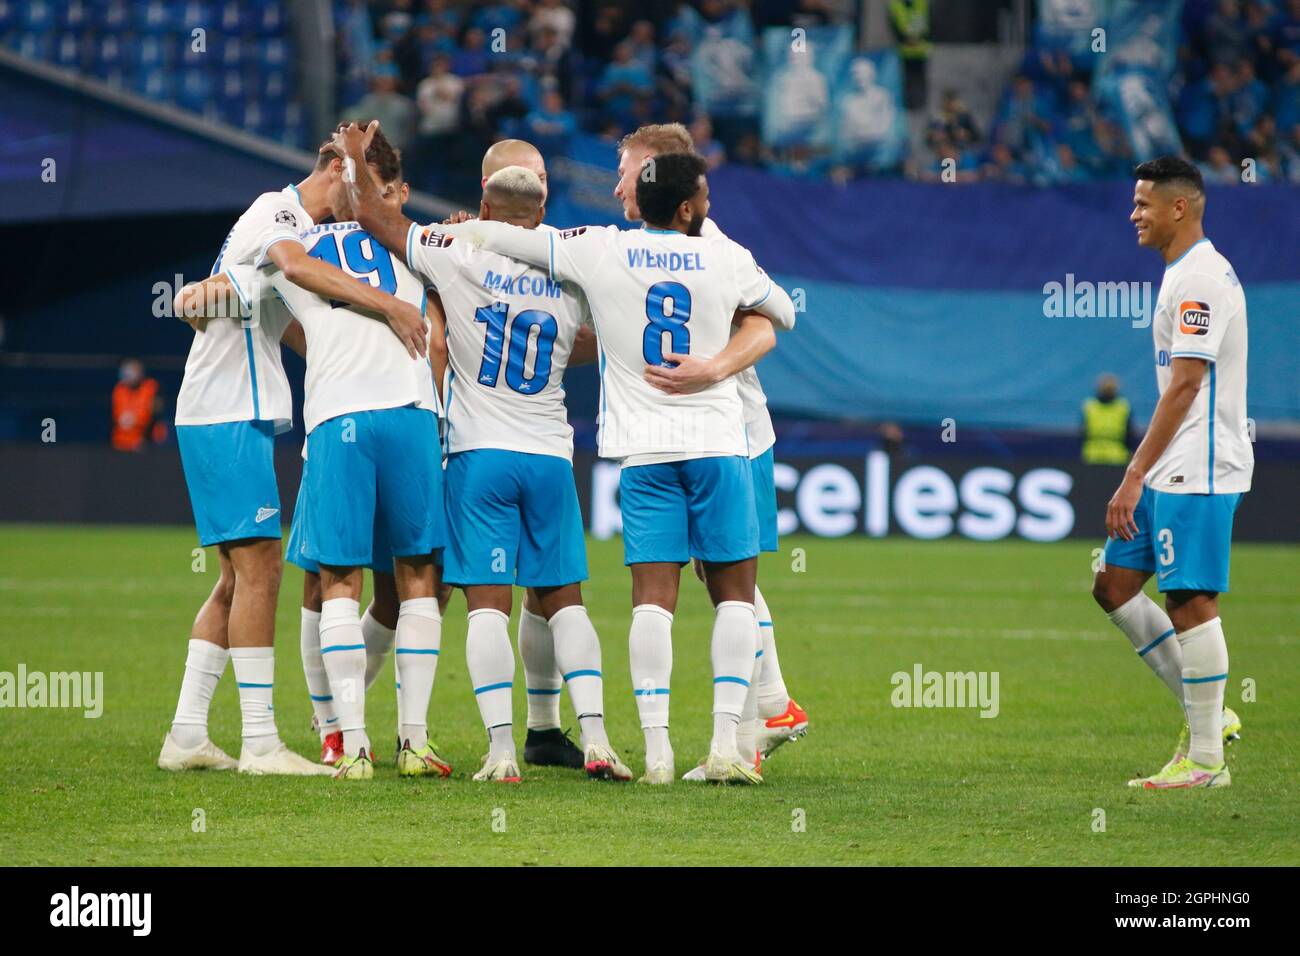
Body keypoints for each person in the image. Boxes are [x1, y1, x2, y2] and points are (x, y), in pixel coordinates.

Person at [446, 152, 796, 784]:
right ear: (688, 208)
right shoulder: (728, 256)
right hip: (718, 444)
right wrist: (715, 361)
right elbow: (783, 314)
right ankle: (723, 746)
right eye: (706, 196)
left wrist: (462, 231)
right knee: (736, 600)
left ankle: (658, 755)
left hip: (645, 453)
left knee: (651, 607)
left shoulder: (604, 248)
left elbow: (512, 238)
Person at [337, 122, 633, 783]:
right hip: (550, 457)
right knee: (566, 602)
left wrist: (356, 156)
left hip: (477, 458)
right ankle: (598, 739)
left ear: (485, 200)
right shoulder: (573, 255)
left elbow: (378, 219)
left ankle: (499, 752)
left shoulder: (456, 249)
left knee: (484, 607)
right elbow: (602, 334)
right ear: (545, 204)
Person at [160, 131, 425, 777]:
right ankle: (259, 743)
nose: (355, 206)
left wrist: (208, 296)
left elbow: (276, 314)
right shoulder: (280, 214)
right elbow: (285, 270)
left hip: (230, 408)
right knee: (261, 571)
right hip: (225, 407)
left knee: (234, 578)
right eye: (354, 187)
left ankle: (188, 735)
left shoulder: (296, 235)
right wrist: (390, 305)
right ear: (335, 169)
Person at [611, 124, 809, 771]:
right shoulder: (647, 248)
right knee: (717, 575)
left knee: (729, 578)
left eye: (631, 172)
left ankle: (763, 718)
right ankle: (762, 719)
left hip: (735, 431)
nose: (620, 186)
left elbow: (772, 321)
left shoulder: (713, 245)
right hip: (698, 433)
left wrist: (715, 366)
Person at [1092, 156, 1252, 790]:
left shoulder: (1202, 280)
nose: (1134, 214)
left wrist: (1132, 475)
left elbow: (1187, 384)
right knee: (1112, 584)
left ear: (1179, 208)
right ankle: (1210, 713)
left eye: (1143, 204)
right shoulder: (1181, 273)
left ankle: (1207, 760)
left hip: (1200, 463)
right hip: (1173, 463)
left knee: (1189, 601)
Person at [111, 358, 164, 451]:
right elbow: (117, 416)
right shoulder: (119, 389)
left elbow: (155, 411)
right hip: (120, 441)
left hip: (144, 441)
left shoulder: (150, 387)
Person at [1081, 373, 1133, 465]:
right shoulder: (1123, 406)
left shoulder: (1090, 405)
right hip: (1115, 455)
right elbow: (1130, 435)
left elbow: (1082, 433)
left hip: (1095, 455)